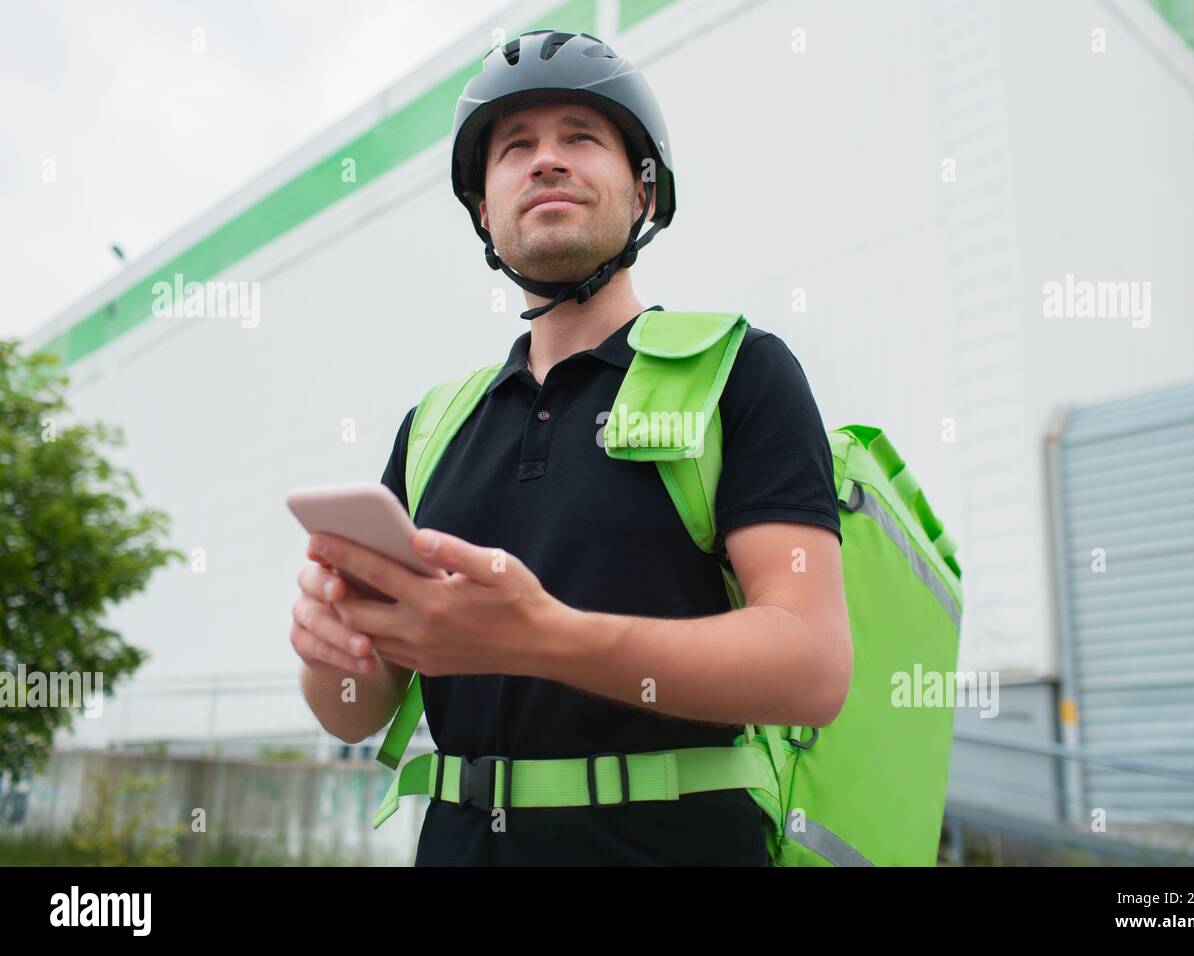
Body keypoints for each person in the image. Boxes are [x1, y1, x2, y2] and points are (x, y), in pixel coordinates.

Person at [292, 29, 851, 865]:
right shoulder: (437, 423)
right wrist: (328, 649)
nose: (546, 160)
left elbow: (811, 666)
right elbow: (356, 710)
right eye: (515, 147)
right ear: (484, 209)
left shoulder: (739, 371)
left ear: (646, 196)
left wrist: (541, 638)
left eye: (581, 137)